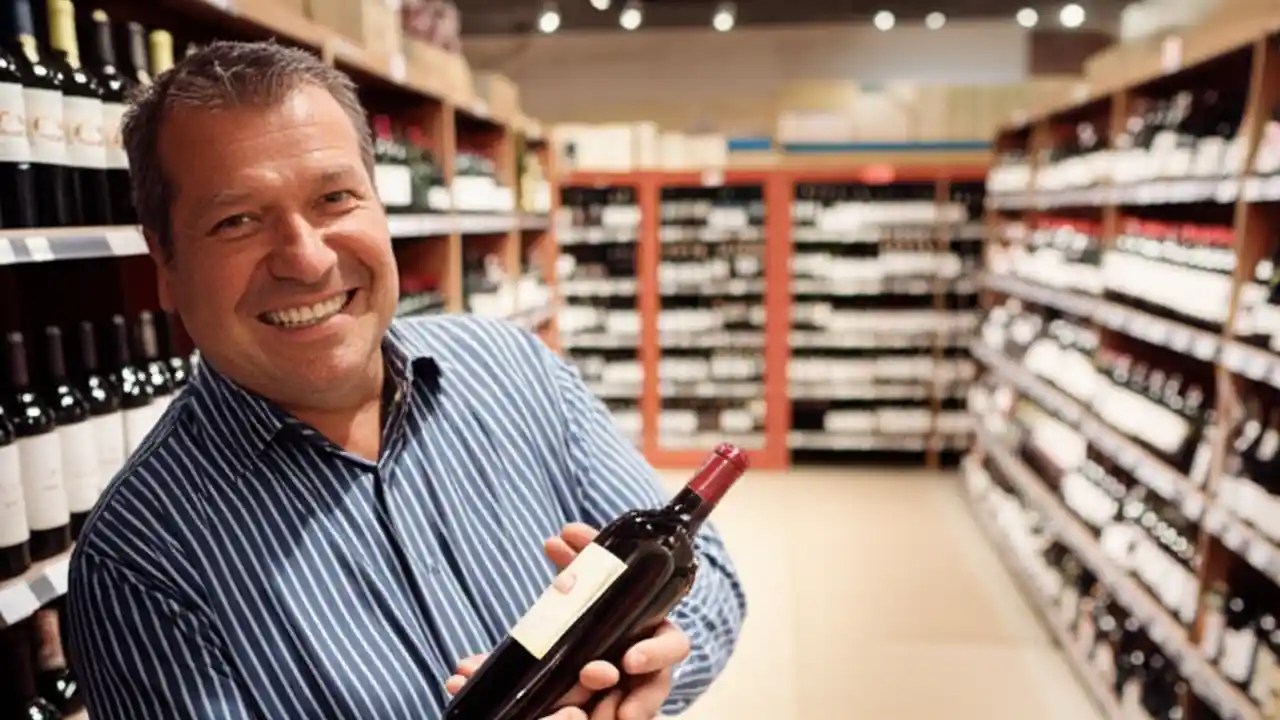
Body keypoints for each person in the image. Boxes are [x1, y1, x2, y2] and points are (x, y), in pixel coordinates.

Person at [63, 40, 746, 720]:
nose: (305, 260)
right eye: (237, 220)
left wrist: (639, 671)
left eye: (334, 197)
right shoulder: (137, 560)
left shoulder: (515, 369)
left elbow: (710, 582)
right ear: (165, 259)